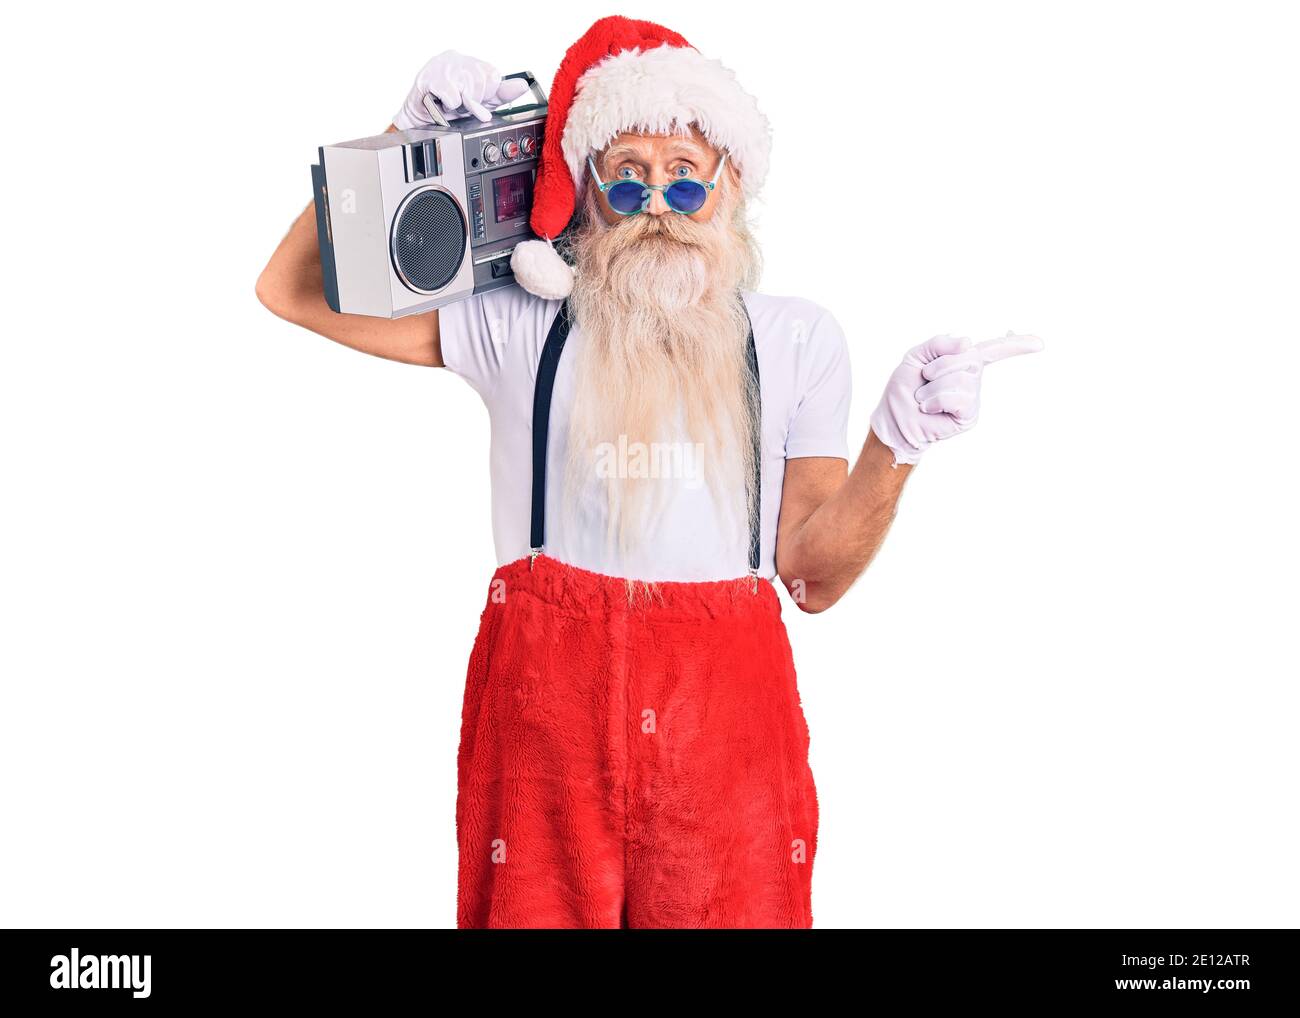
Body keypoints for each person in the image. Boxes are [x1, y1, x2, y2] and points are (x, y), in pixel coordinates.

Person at [255, 15, 1042, 929]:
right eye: (625, 178)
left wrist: (893, 447)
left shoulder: (795, 341)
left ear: (732, 183)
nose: (657, 201)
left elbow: (812, 578)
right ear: (588, 197)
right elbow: (291, 289)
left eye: (684, 176)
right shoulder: (517, 323)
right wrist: (404, 140)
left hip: (728, 745)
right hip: (546, 738)